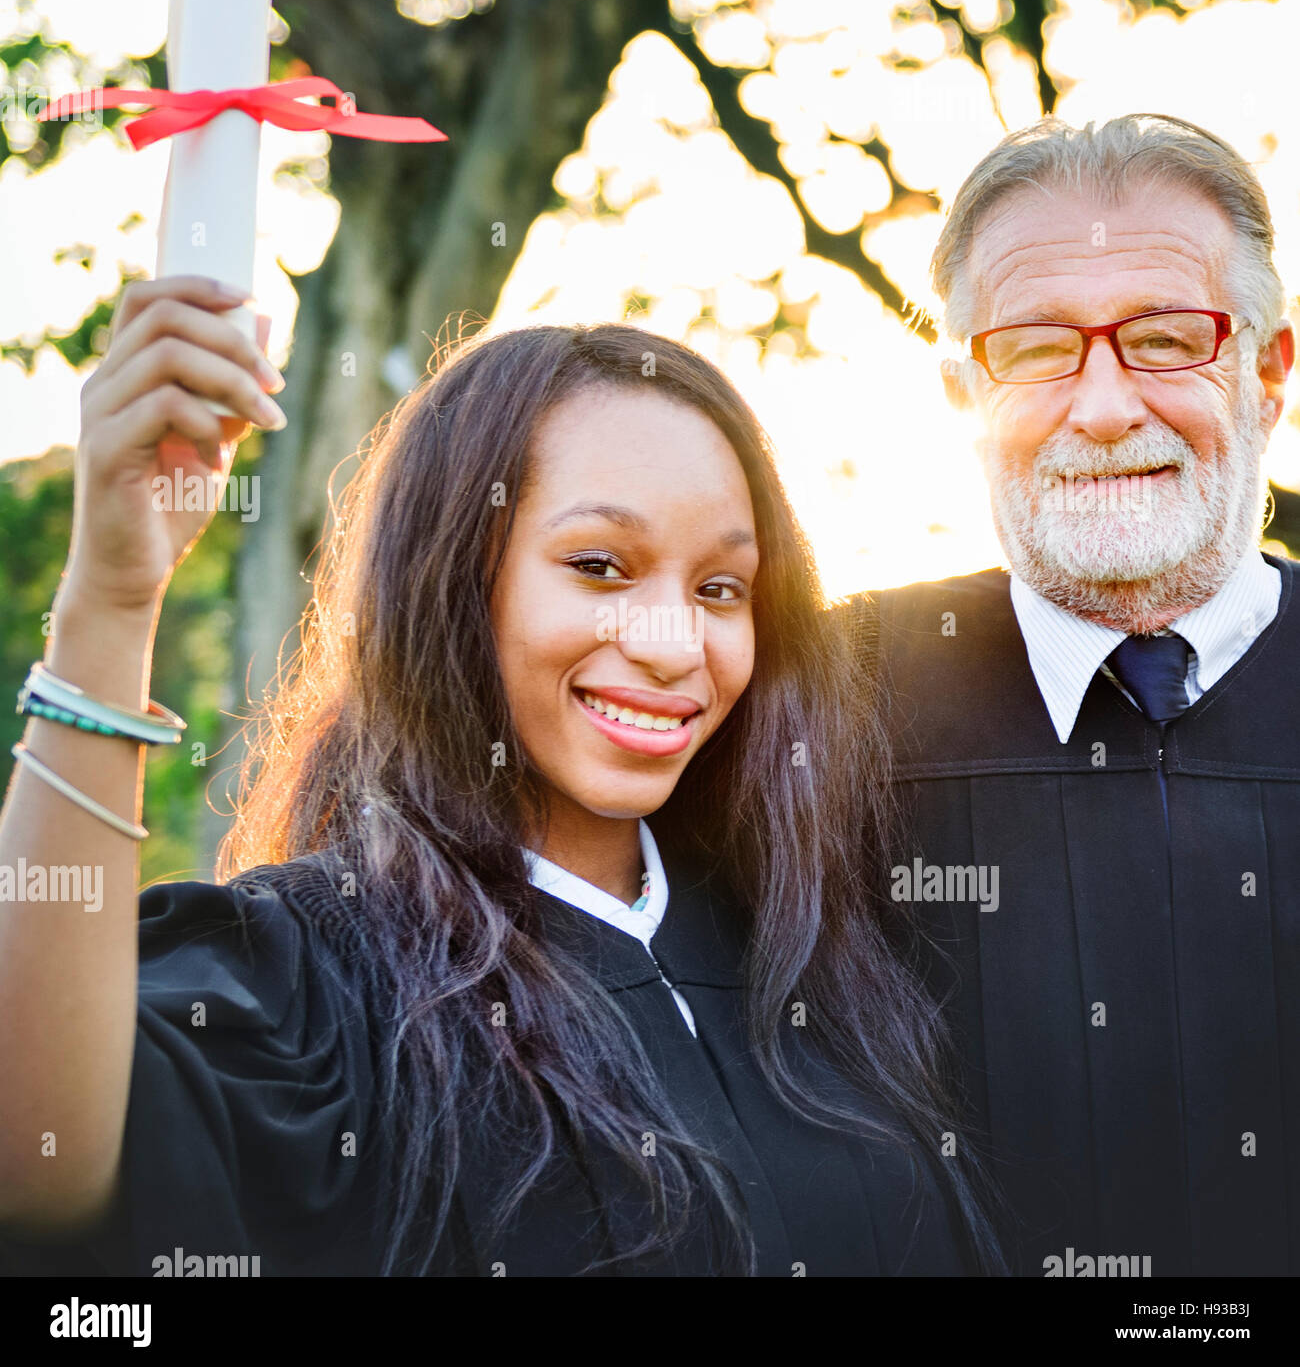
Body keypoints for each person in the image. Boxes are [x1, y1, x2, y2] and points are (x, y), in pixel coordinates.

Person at [0, 278, 1002, 1276]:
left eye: (719, 587)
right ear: (451, 581)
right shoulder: (311, 980)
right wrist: (113, 594)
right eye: (600, 566)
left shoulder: (801, 949)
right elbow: (34, 1158)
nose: (672, 645)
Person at [843, 113, 1298, 1276]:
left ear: (1269, 370)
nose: (1101, 408)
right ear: (961, 392)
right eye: (1036, 347)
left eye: (1161, 337)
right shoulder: (816, 703)